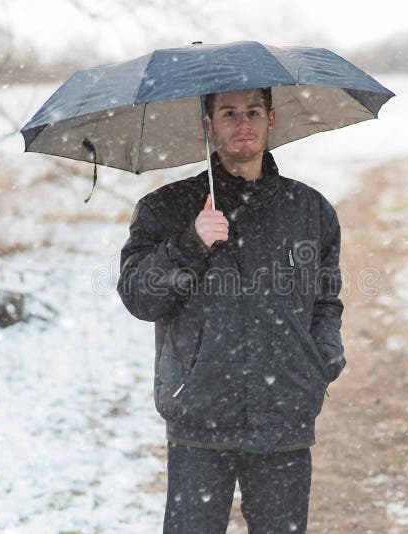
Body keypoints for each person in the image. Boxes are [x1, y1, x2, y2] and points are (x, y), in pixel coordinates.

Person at [117, 87, 345, 533]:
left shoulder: (310, 210)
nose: (243, 123)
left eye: (253, 112)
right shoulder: (166, 208)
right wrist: (190, 242)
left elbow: (326, 298)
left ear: (271, 120)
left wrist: (322, 356)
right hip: (200, 413)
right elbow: (140, 297)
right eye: (229, 113)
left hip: (285, 410)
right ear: (208, 125)